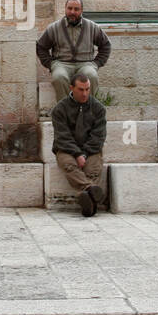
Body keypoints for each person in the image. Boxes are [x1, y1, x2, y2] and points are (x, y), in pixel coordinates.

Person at [51, 73, 108, 217]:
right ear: (71, 88)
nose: (85, 93)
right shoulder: (60, 109)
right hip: (66, 149)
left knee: (93, 168)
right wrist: (76, 153)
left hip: (90, 150)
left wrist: (85, 153)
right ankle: (91, 191)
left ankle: (87, 200)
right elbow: (62, 136)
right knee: (69, 165)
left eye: (87, 89)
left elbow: (98, 136)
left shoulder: (98, 108)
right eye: (81, 89)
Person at [35, 0, 111, 100]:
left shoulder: (92, 27)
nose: (72, 12)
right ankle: (65, 110)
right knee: (59, 77)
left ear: (81, 10)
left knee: (92, 75)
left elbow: (106, 45)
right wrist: (51, 64)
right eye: (69, 8)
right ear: (65, 9)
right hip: (61, 64)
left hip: (86, 63)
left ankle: (89, 110)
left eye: (76, 9)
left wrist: (96, 64)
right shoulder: (54, 28)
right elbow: (41, 47)